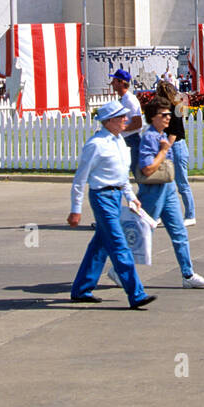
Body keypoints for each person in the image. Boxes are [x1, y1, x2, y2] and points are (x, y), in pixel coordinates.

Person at [66, 100, 156, 308]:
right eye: (121, 117)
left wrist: (130, 197)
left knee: (100, 245)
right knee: (118, 245)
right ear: (109, 121)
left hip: (115, 197)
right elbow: (80, 179)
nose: (126, 119)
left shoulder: (119, 142)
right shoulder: (95, 145)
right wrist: (75, 209)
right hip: (102, 197)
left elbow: (122, 175)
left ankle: (81, 288)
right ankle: (136, 293)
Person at [135, 100, 204, 289]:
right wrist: (163, 151)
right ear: (153, 117)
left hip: (167, 189)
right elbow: (146, 169)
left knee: (179, 232)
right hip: (153, 191)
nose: (169, 117)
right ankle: (121, 270)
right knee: (144, 233)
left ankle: (188, 274)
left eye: (169, 114)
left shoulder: (161, 134)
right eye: (164, 115)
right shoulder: (150, 137)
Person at [155, 78, 195, 225]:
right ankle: (160, 214)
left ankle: (190, 215)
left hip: (176, 147)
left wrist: (165, 150)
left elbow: (174, 133)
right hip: (172, 146)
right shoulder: (167, 110)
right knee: (164, 183)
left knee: (182, 182)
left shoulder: (175, 110)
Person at [110, 68, 143, 173]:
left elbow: (138, 123)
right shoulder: (123, 99)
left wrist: (120, 128)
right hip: (126, 140)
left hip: (132, 140)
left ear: (121, 83)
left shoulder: (130, 100)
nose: (112, 83)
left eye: (114, 81)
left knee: (138, 173)